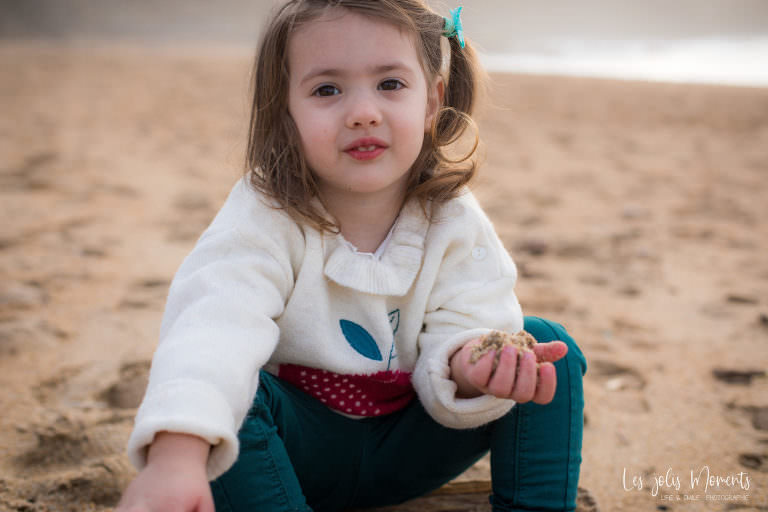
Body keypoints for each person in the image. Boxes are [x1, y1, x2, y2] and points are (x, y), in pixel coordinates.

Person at [117, 1, 587, 511]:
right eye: (327, 89)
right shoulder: (265, 215)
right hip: (295, 454)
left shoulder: (451, 218)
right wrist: (177, 453)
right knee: (237, 396)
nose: (363, 112)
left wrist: (476, 366)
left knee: (542, 347)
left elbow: (471, 320)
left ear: (432, 101)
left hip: (409, 451)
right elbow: (214, 326)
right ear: (285, 111)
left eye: (390, 84)